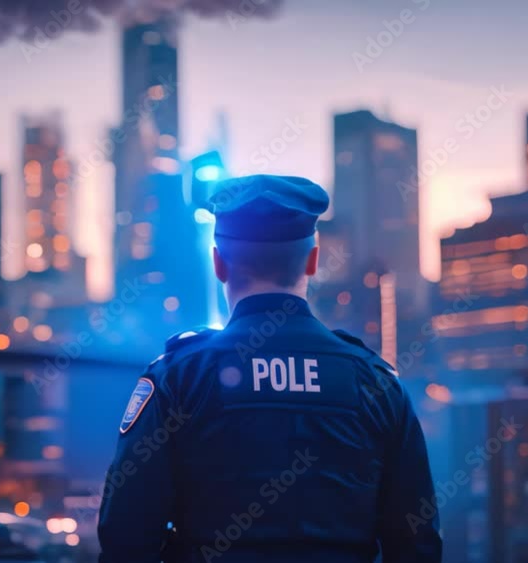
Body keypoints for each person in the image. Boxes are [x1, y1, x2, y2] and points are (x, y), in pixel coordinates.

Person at [97, 174, 442, 563]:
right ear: (312, 261)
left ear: (218, 264)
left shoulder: (177, 377)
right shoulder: (376, 383)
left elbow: (124, 538)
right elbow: (418, 544)